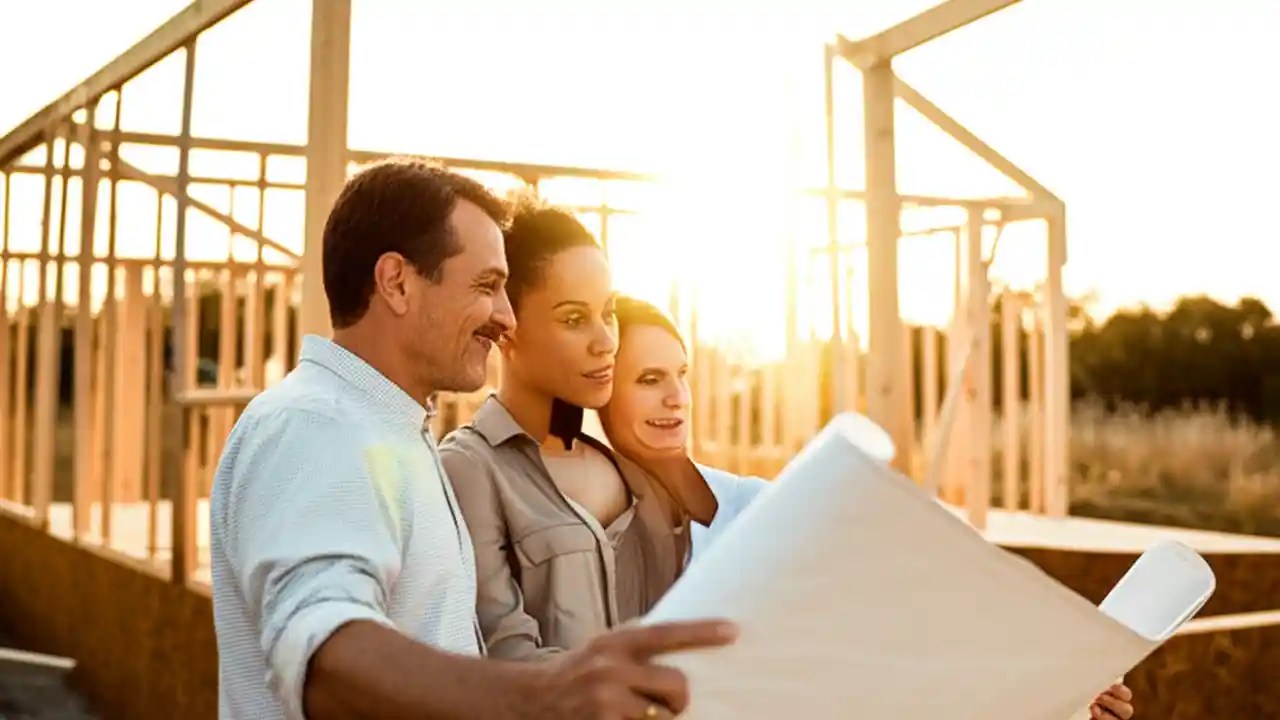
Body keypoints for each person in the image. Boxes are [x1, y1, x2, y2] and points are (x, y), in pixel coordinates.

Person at [208, 159, 736, 720]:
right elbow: (321, 652)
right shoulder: (316, 424)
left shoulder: (392, 430)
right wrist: (544, 695)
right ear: (397, 282)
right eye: (487, 287)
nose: (506, 317)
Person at [596, 296, 1138, 720]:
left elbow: (903, 631)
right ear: (601, 388)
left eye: (682, 374)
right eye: (648, 379)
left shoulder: (766, 509)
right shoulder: (578, 525)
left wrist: (1065, 690)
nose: (677, 397)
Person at [439, 200, 689, 663]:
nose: (606, 341)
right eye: (574, 319)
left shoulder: (625, 459)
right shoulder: (470, 469)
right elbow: (504, 653)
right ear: (507, 326)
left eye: (608, 312)